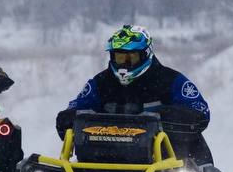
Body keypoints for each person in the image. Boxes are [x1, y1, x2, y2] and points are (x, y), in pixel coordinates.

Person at [56, 24, 214, 164]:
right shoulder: (100, 83)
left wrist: (162, 116)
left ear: (145, 54)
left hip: (164, 167)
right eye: (119, 57)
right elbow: (73, 112)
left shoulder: (170, 80)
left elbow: (200, 114)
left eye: (131, 58)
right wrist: (71, 118)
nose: (124, 64)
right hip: (103, 163)